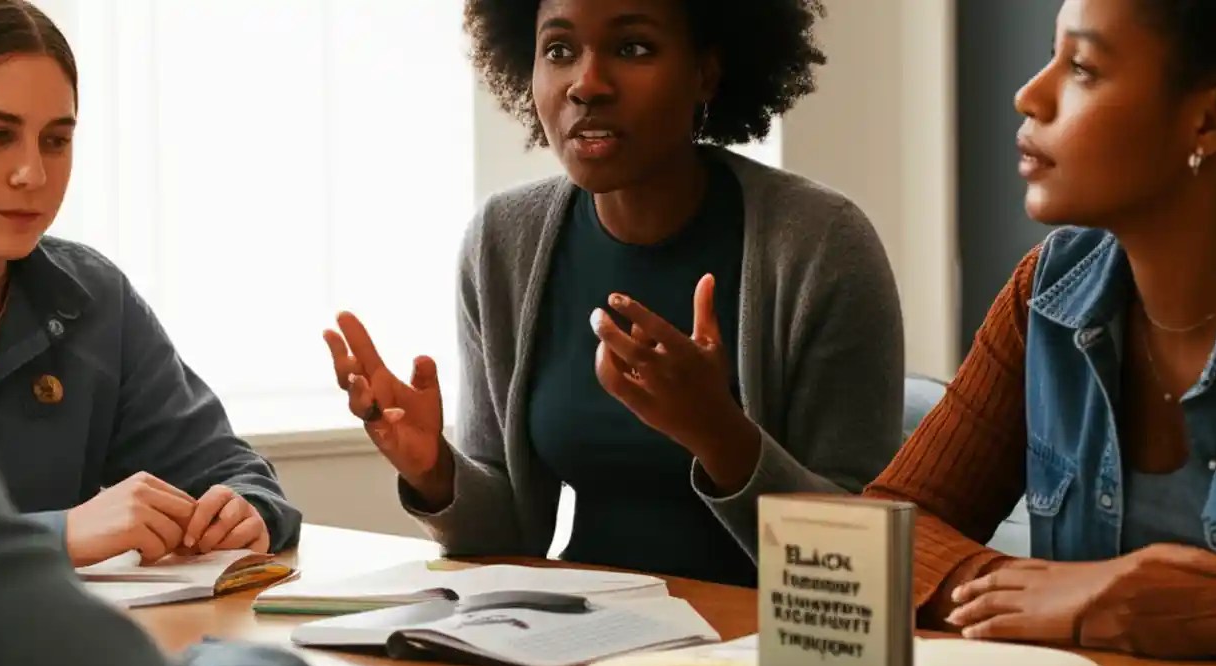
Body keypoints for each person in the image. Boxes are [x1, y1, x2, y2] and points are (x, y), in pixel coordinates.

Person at [325, 0, 903, 587]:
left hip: (761, 653)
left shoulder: (821, 243)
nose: (587, 84)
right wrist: (434, 470)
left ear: (705, 70)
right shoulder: (503, 242)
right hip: (580, 638)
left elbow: (864, 563)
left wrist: (718, 432)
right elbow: (509, 539)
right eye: (559, 51)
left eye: (632, 48)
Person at [0, 3, 328, 666]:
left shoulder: (94, 298)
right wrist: (65, 533)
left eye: (57, 140)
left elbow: (234, 473)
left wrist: (242, 512)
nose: (31, 172)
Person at [864, 0, 1216, 659]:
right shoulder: (1052, 288)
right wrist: (1029, 591)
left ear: (1207, 120)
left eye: (1082, 67)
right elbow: (883, 531)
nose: (1029, 94)